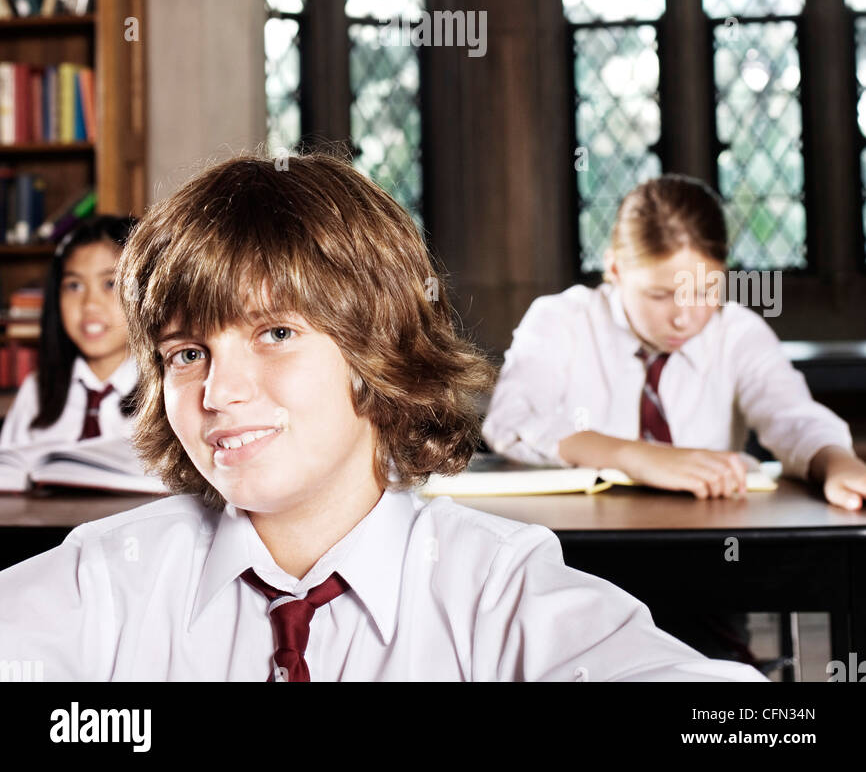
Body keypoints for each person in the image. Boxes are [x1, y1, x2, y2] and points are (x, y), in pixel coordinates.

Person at [0, 154, 765, 683]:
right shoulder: (109, 577)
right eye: (187, 353)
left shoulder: (494, 590)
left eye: (276, 334)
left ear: (378, 353)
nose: (219, 391)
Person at [481, 173, 866, 663]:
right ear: (615, 269)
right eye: (661, 295)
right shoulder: (562, 320)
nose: (685, 316)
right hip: (574, 572)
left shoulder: (736, 333)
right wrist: (635, 457)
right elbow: (511, 418)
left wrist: (835, 461)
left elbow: (790, 415)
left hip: (705, 576)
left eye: (705, 291)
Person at [0, 214, 138, 448]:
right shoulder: (37, 391)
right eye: (74, 285)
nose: (89, 304)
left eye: (110, 284)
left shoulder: (170, 394)